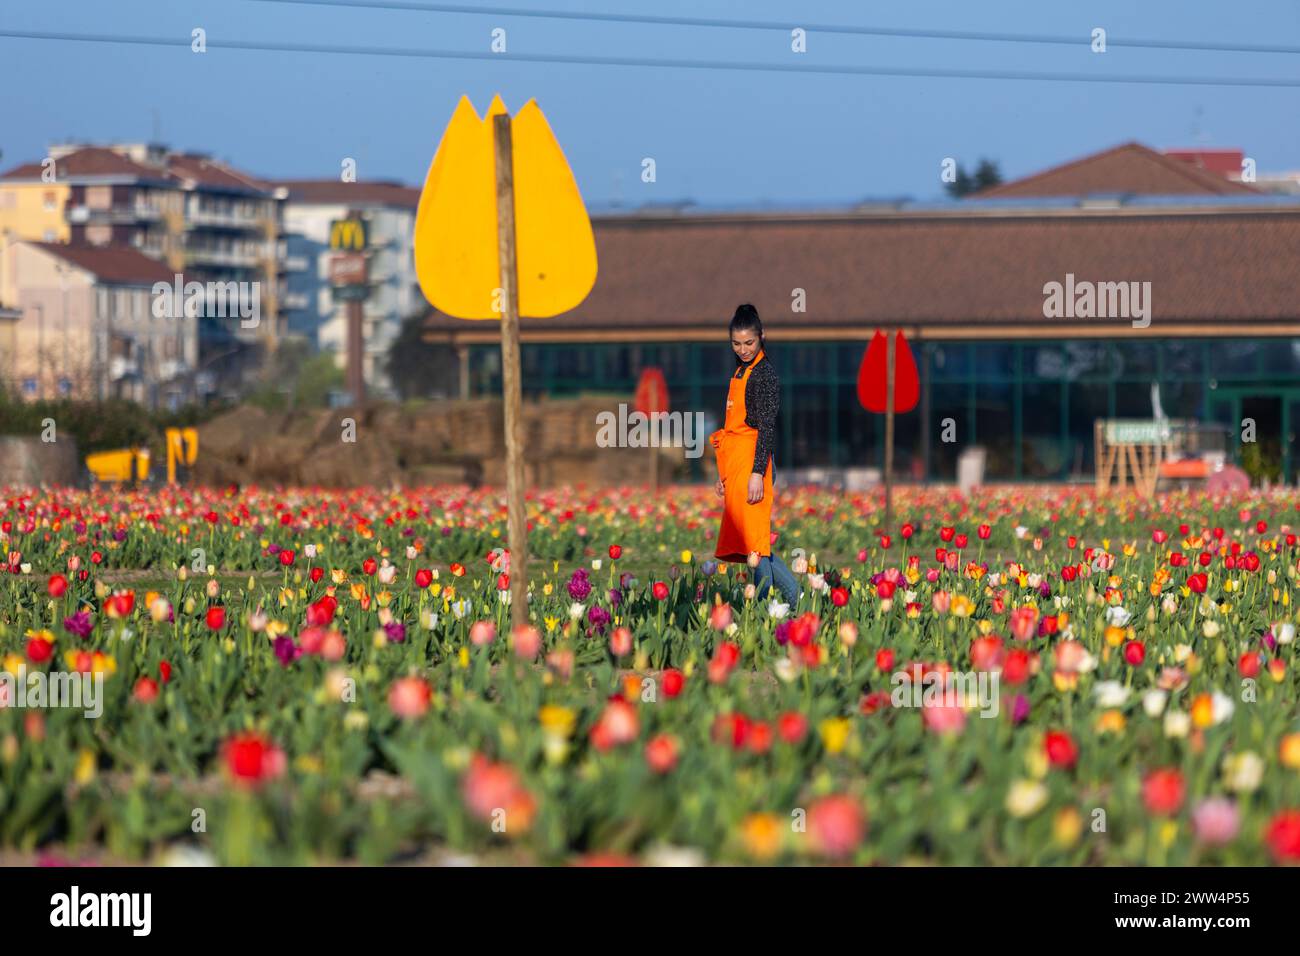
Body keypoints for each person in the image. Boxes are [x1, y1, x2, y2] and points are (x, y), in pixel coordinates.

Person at [710, 304, 800, 607]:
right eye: (736, 343)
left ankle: (763, 608)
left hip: (753, 464)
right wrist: (724, 476)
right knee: (754, 544)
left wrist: (757, 473)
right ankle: (797, 600)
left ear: (762, 337)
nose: (743, 349)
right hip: (736, 465)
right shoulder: (740, 370)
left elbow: (767, 429)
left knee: (755, 544)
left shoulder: (764, 375)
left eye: (749, 342)